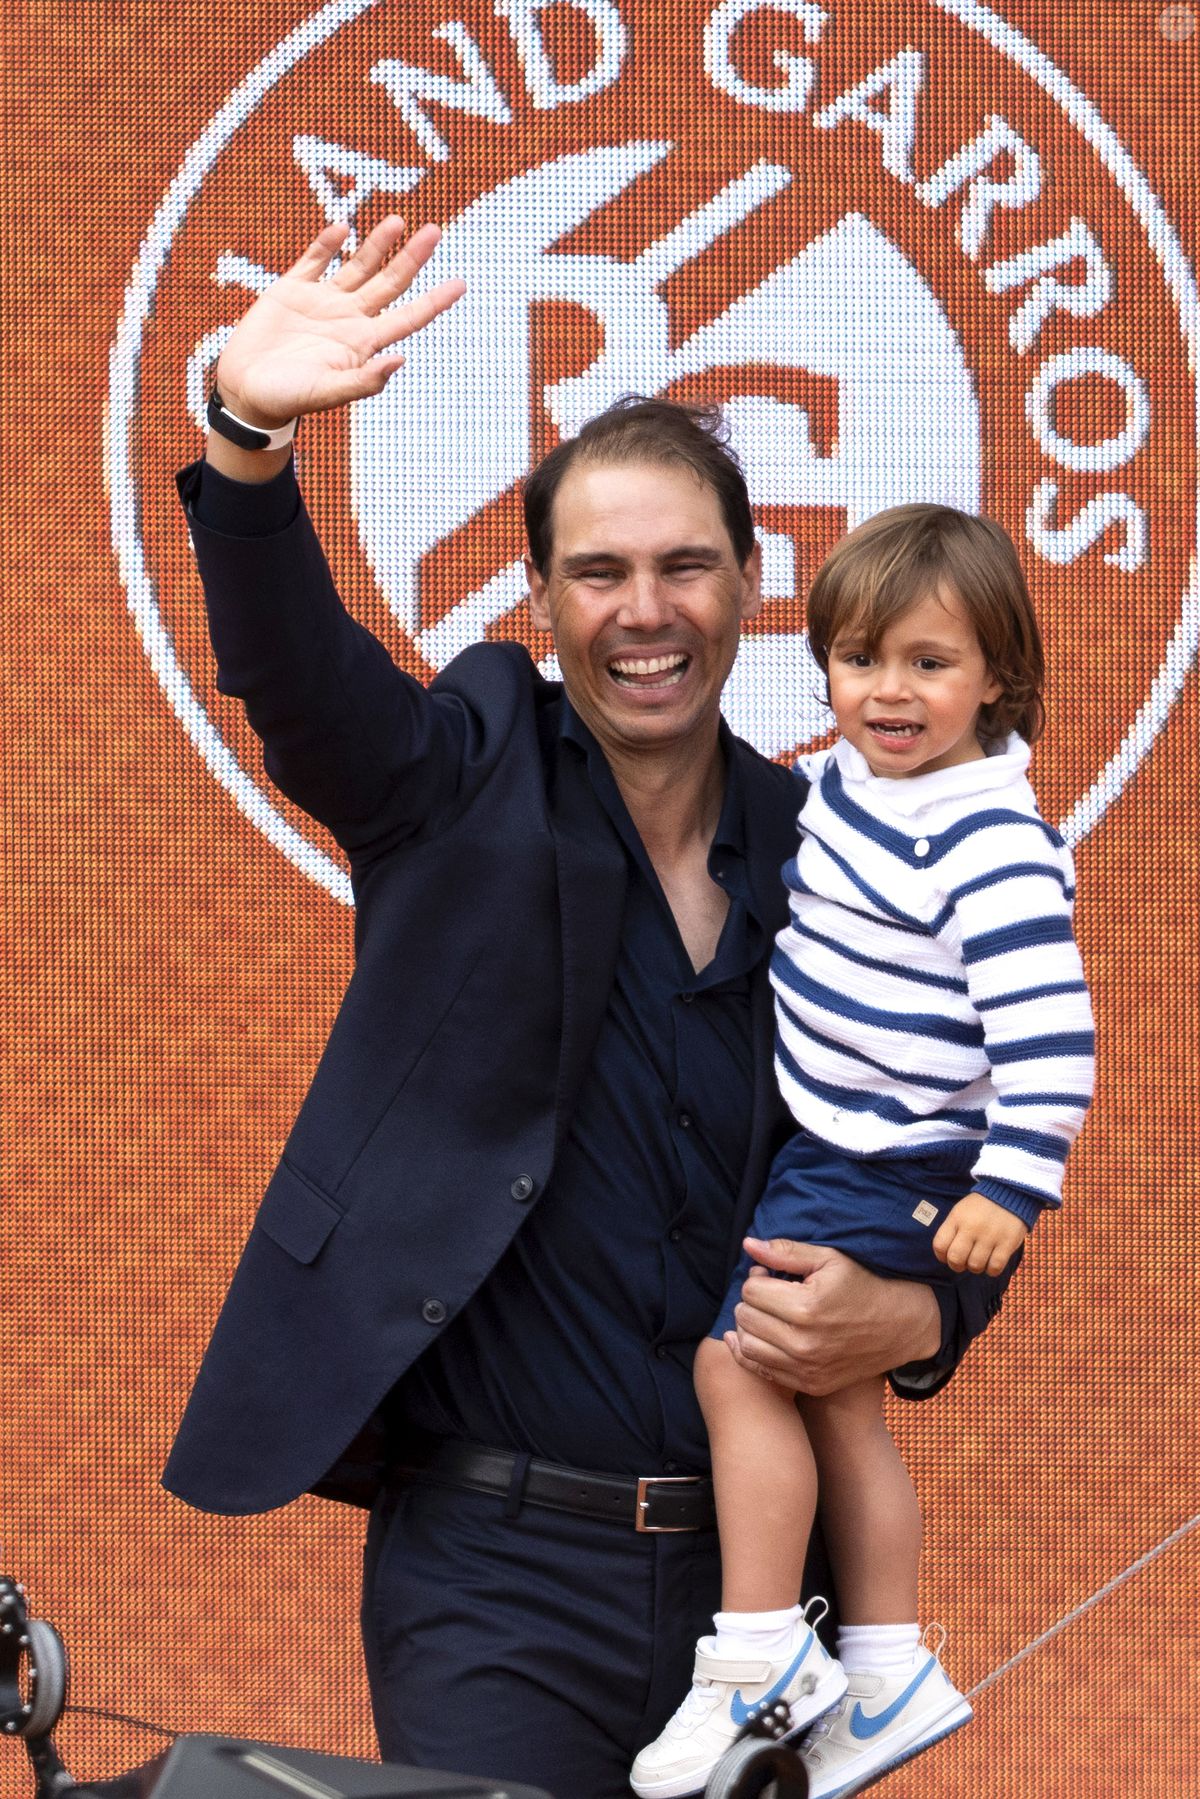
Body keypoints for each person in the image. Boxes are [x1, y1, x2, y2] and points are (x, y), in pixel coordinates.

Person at [164, 216, 1011, 1799]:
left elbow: (941, 1135)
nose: (647, 609)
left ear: (755, 584)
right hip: (493, 1573)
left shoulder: (837, 846)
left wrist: (921, 1316)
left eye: (686, 564)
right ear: (541, 596)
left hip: (767, 1592)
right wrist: (249, 437)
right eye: (599, 571)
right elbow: (295, 681)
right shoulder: (464, 765)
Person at [630, 504, 1095, 1799]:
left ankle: (762, 1651)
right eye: (858, 658)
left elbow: (1054, 1039)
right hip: (837, 1148)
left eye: (929, 663)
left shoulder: (988, 840)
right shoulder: (843, 780)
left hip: (895, 1166)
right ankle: (886, 1667)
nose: (888, 691)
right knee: (833, 1397)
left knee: (737, 1369)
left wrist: (1011, 1185)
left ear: (995, 674)